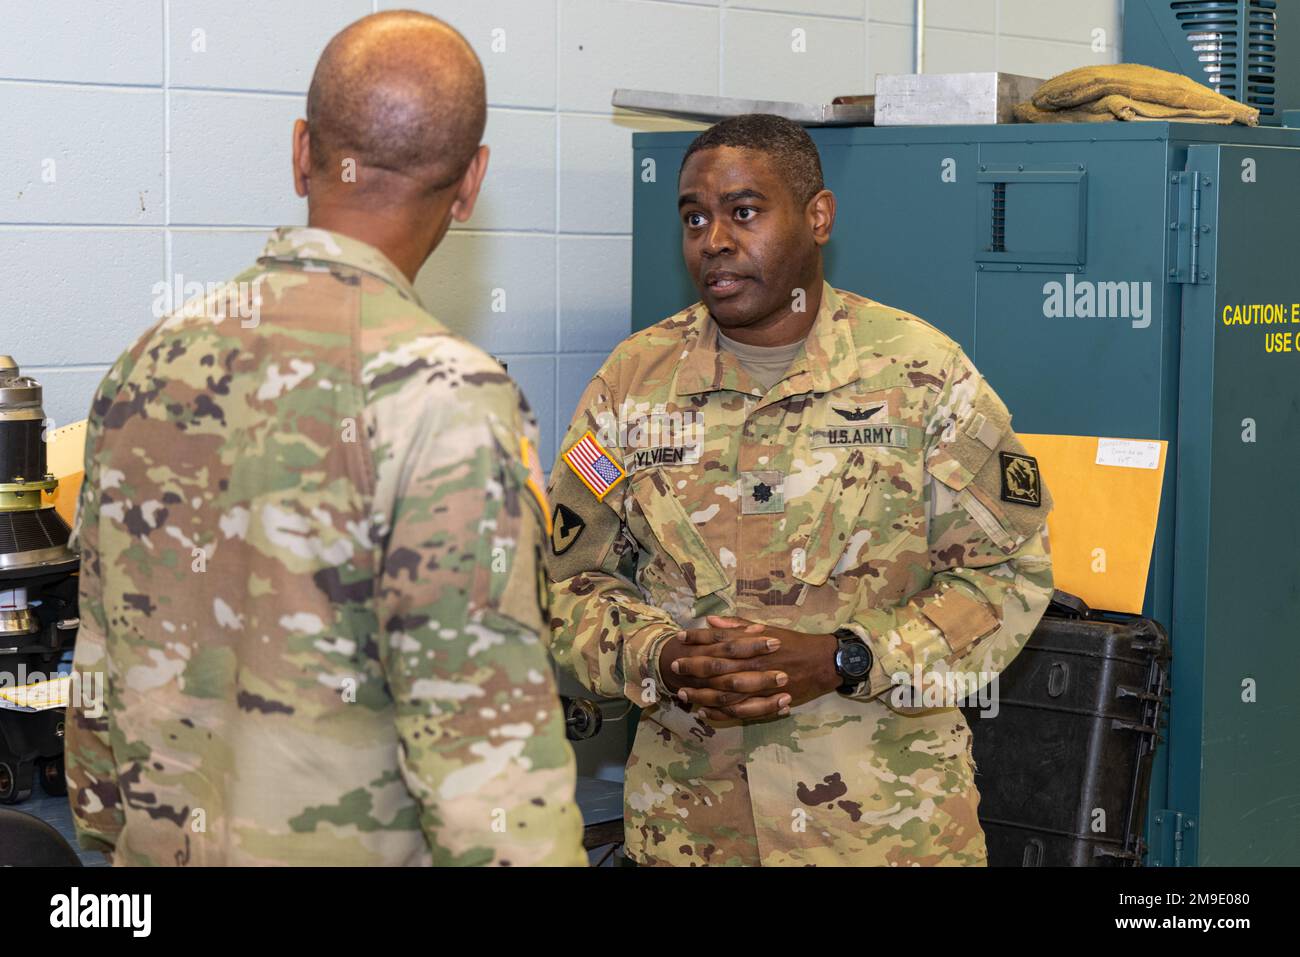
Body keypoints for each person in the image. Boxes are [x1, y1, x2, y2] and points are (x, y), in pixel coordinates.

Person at [64, 10, 585, 866]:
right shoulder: (447, 396)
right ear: (471, 182)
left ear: (302, 150)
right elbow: (492, 784)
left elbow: (96, 689)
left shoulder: (149, 362)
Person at [545, 114, 1054, 866]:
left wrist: (848, 658)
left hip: (884, 828)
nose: (714, 239)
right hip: (692, 828)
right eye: (694, 217)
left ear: (818, 217)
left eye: (743, 211)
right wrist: (660, 656)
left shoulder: (921, 375)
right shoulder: (631, 384)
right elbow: (566, 584)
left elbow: (1008, 575)